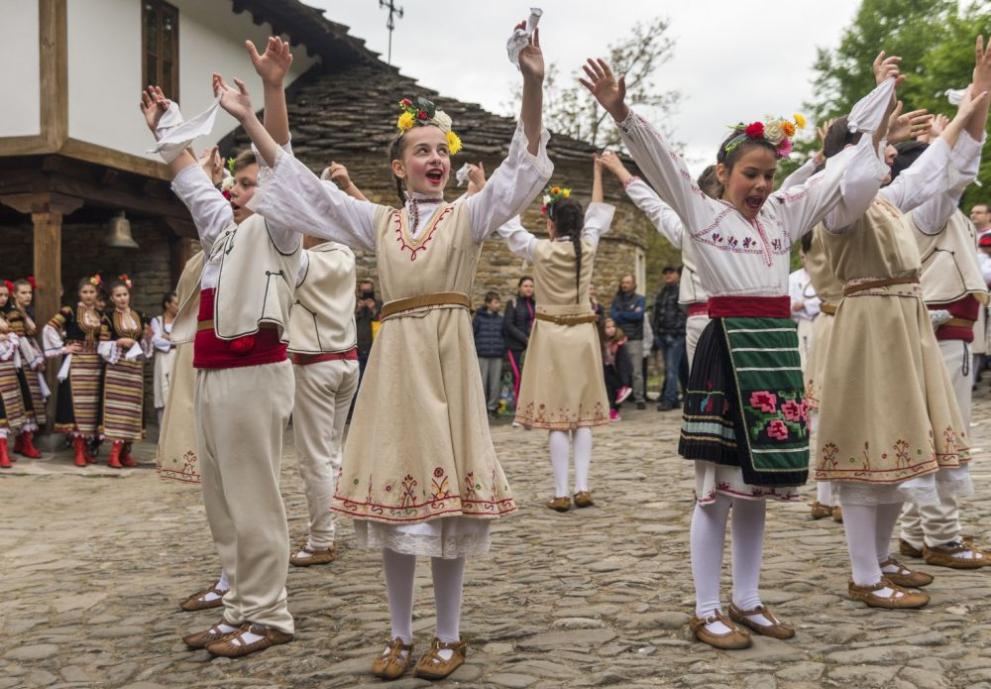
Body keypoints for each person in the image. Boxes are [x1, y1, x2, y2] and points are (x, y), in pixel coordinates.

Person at [238, 21, 548, 680]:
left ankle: (448, 632)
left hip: (447, 363)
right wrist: (268, 96)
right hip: (395, 366)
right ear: (398, 165)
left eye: (441, 149)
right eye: (421, 150)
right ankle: (400, 633)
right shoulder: (375, 222)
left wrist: (531, 82)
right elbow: (296, 181)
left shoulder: (468, 215)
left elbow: (521, 170)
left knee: (446, 508)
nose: (434, 158)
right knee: (394, 509)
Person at [583, 50, 898, 648]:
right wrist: (622, 110)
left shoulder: (783, 216)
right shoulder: (701, 217)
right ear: (725, 174)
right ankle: (706, 608)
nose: (760, 184)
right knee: (715, 491)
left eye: (768, 175)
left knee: (757, 488)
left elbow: (839, 168)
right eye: (749, 173)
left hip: (774, 355)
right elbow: (662, 169)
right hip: (726, 352)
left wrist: (878, 99)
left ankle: (748, 599)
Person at [814, 41, 991, 610]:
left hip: (900, 328)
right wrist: (883, 103)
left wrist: (975, 104)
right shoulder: (839, 206)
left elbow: (943, 168)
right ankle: (865, 574)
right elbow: (856, 168)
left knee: (900, 454)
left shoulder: (887, 202)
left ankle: (884, 558)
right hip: (870, 333)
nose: (890, 155)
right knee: (870, 455)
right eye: (881, 147)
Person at [142, 36, 302, 658]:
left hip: (255, 371)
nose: (236, 188)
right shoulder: (226, 234)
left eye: (246, 181)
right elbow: (188, 181)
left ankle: (270, 614)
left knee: (253, 495)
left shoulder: (281, 231)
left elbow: (284, 165)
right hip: (213, 372)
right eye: (235, 181)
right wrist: (167, 127)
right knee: (223, 500)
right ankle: (239, 603)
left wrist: (266, 95)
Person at [893, 101, 991, 569]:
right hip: (941, 336)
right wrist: (977, 101)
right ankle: (942, 536)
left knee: (937, 434)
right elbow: (958, 170)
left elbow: (955, 169)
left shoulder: (931, 213)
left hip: (950, 336)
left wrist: (941, 136)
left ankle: (915, 534)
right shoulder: (927, 212)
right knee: (945, 436)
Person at [500, 156, 614, 511]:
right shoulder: (588, 247)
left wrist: (513, 184)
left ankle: (562, 492)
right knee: (581, 416)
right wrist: (597, 171)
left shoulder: (541, 249)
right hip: (581, 334)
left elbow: (508, 224)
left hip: (550, 334)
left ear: (551, 224)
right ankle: (582, 486)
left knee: (556, 418)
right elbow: (597, 212)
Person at [43, 276, 106, 467]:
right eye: (85, 292)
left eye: (91, 292)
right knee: (77, 405)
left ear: (97, 294)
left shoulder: (100, 314)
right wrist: (64, 348)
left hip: (95, 363)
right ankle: (78, 449)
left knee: (92, 407)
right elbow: (49, 328)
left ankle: (86, 448)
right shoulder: (69, 312)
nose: (88, 296)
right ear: (79, 293)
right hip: (77, 364)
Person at [98, 276, 152, 469]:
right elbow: (102, 343)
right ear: (112, 298)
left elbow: (146, 345)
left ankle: (125, 453)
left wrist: (147, 338)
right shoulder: (107, 317)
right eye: (118, 296)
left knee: (132, 409)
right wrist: (118, 342)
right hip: (117, 366)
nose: (122, 299)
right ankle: (114, 453)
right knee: (116, 409)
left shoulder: (140, 314)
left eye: (125, 295)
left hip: (134, 368)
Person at [5, 278, 47, 459]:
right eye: (23, 292)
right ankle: (25, 443)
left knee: (30, 399)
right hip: (22, 361)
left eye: (30, 292)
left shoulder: (25, 312)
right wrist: (35, 360)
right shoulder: (14, 314)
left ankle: (23, 442)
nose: (28, 296)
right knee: (26, 399)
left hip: (28, 359)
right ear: (14, 294)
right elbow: (21, 341)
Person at [651, 266, 687, 411]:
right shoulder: (662, 292)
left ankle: (669, 400)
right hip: (662, 335)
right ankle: (674, 399)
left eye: (671, 273)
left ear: (677, 275)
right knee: (670, 369)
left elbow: (684, 313)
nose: (668, 275)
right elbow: (657, 314)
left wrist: (677, 330)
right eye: (665, 273)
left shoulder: (681, 291)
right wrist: (656, 333)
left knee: (672, 369)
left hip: (675, 336)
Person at [0, 284, 27, 468]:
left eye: (5, 295)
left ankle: (3, 451)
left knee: (6, 409)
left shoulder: (4, 316)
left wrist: (8, 338)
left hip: (6, 369)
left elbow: (15, 339)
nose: (2, 298)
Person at [610, 274, 646, 408]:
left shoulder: (640, 299)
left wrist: (622, 315)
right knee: (619, 370)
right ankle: (620, 397)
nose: (625, 285)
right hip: (619, 339)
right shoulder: (616, 300)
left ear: (634, 284)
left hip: (634, 339)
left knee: (636, 371)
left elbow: (638, 316)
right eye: (623, 282)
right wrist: (629, 313)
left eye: (628, 282)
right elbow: (613, 316)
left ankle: (639, 398)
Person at [788, 237, 821, 371]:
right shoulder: (793, 278)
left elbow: (826, 297)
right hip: (804, 323)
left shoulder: (823, 274)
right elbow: (789, 302)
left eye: (805, 257)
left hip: (823, 320)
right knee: (805, 358)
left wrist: (806, 305)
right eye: (801, 257)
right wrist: (796, 306)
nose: (804, 260)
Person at [504, 275, 535, 408]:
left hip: (532, 346)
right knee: (518, 377)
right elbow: (508, 325)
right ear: (520, 288)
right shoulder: (513, 303)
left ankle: (530, 407)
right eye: (526, 286)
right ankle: (519, 409)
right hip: (516, 346)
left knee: (531, 378)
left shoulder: (535, 304)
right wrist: (525, 338)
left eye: (531, 286)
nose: (529, 288)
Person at [473, 291, 506, 418]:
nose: (498, 305)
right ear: (488, 304)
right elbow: (472, 334)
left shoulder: (500, 319)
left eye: (499, 302)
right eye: (495, 302)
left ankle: (492, 408)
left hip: (496, 355)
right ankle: (480, 409)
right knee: (481, 383)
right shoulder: (478, 318)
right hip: (482, 354)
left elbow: (504, 335)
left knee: (495, 384)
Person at [150, 291, 179, 427]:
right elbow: (156, 340)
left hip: (178, 358)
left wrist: (168, 337)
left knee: (178, 392)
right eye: (175, 304)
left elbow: (187, 339)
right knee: (163, 391)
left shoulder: (181, 321)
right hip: (163, 359)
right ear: (167, 304)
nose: (178, 307)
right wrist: (175, 340)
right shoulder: (157, 321)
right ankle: (163, 433)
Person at [602, 317, 632, 421]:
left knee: (616, 388)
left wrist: (625, 381)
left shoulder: (620, 343)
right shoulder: (600, 342)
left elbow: (624, 364)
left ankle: (614, 409)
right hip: (605, 367)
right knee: (609, 388)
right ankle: (611, 409)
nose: (611, 329)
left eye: (613, 326)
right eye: (608, 327)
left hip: (617, 368)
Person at [354, 279, 381, 380]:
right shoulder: (354, 304)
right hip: (357, 346)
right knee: (358, 377)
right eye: (363, 291)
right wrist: (358, 309)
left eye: (368, 291)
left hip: (374, 346)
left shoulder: (378, 303)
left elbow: (381, 320)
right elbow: (347, 321)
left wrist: (373, 308)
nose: (366, 294)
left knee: (373, 377)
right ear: (359, 292)